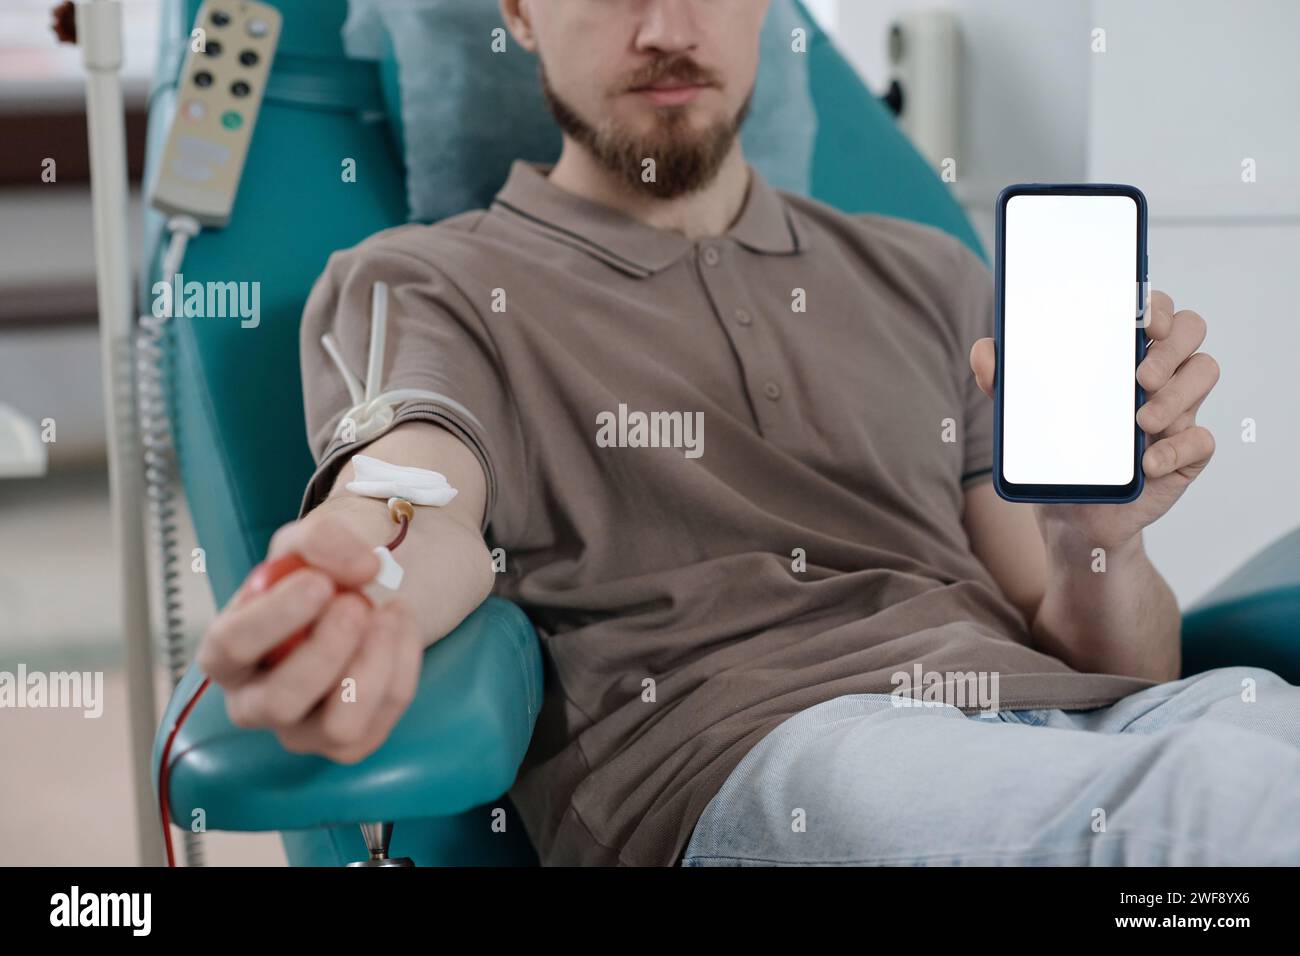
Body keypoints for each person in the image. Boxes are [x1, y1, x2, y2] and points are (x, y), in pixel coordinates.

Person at [194, 0, 1298, 866]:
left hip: (1065, 724)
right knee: (1218, 815)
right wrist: (359, 587)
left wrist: (1095, 540)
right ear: (520, 11)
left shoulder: (925, 270)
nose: (671, 27)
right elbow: (414, 491)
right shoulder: (432, 279)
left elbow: (1124, 668)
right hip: (766, 756)